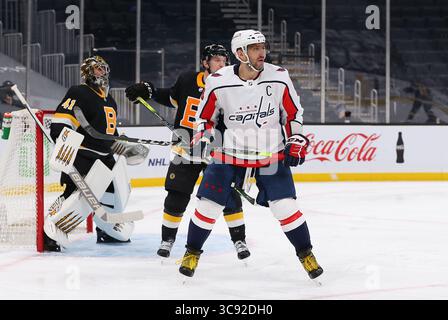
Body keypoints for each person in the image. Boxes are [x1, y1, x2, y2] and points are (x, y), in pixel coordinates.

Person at [177, 29, 324, 280]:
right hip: (230, 152)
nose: (262, 52)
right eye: (255, 48)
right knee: (208, 206)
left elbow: (291, 113)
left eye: (263, 47)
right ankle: (192, 253)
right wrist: (205, 135)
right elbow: (204, 118)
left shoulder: (279, 76)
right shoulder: (218, 80)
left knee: (285, 208)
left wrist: (296, 138)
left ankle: (306, 253)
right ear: (240, 53)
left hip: (271, 152)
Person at [125, 44, 251, 260]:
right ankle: (168, 240)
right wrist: (150, 91)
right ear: (205, 63)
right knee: (176, 196)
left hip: (217, 152)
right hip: (187, 150)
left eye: (224, 60)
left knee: (229, 196)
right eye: (216, 60)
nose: (222, 64)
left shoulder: (230, 85)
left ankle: (239, 240)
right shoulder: (187, 80)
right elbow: (172, 98)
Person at [46, 56, 140, 251]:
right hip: (82, 154)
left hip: (105, 157)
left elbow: (110, 135)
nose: (103, 73)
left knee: (112, 195)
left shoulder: (110, 99)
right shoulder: (79, 92)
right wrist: (64, 143)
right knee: (73, 194)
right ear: (88, 72)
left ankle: (106, 230)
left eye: (104, 69)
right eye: (98, 69)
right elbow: (62, 120)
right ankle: (50, 231)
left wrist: (124, 146)